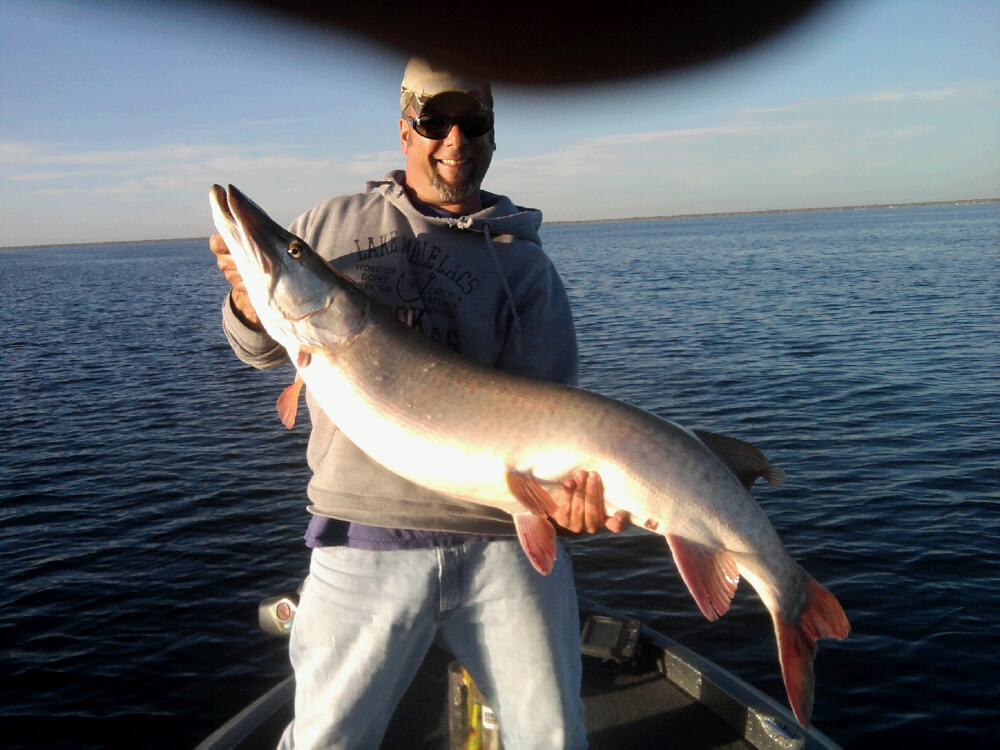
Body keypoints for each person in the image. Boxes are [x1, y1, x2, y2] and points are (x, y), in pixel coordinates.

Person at [210, 57, 628, 749]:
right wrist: (251, 303)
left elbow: (548, 412)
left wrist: (569, 502)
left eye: (474, 124)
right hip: (363, 536)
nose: (455, 140)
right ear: (405, 129)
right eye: (436, 121)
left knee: (552, 738)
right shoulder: (328, 224)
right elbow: (257, 350)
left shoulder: (525, 266)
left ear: (493, 136)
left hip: (504, 545)